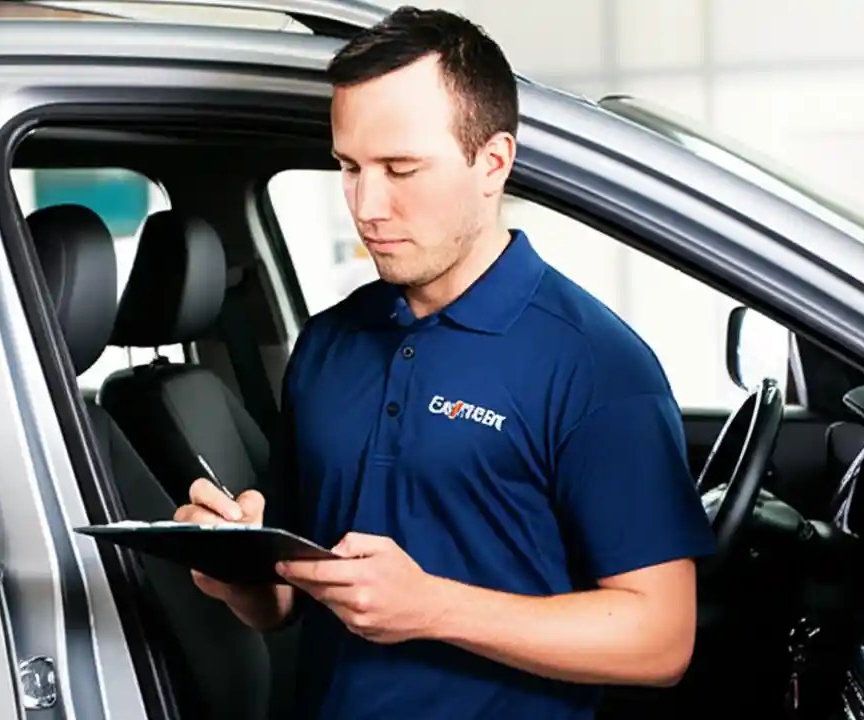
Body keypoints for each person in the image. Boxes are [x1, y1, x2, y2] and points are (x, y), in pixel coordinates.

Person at [173, 6, 718, 718]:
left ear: (492, 162)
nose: (367, 206)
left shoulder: (595, 363)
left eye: (402, 168)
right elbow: (287, 598)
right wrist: (236, 573)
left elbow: (658, 641)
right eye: (349, 168)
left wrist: (432, 607)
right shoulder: (329, 343)